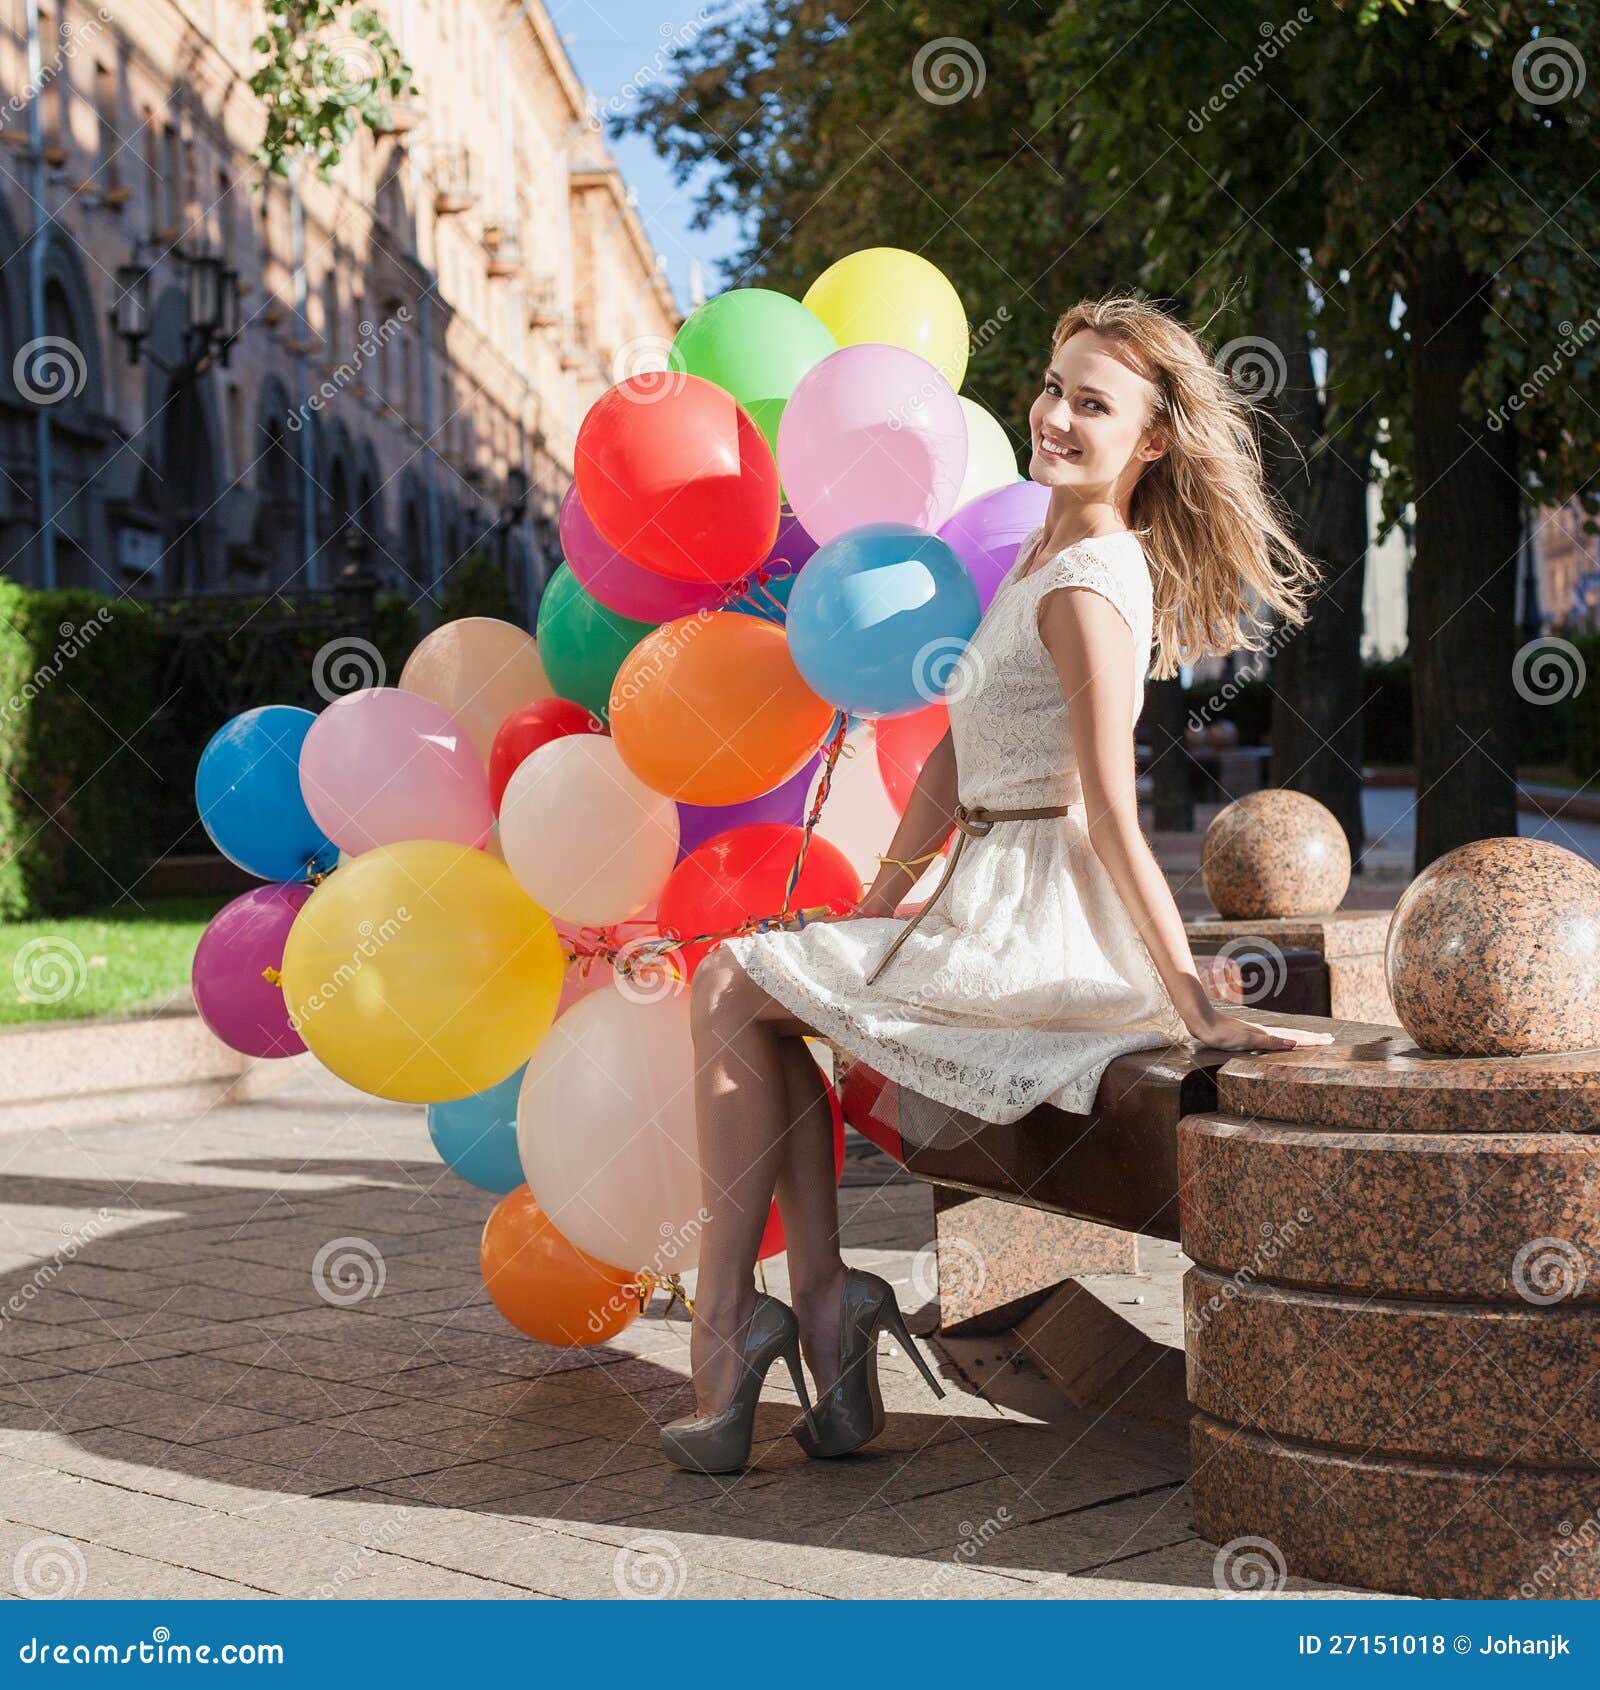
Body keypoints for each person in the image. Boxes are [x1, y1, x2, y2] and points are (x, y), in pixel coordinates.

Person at [659, 293, 1336, 1475]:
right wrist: (872, 905)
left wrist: (1191, 1000)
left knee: (729, 985)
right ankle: (819, 1302)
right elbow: (961, 758)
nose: (1056, 416)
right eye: (1054, 387)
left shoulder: (1087, 581)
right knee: (774, 1003)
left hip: (1036, 923)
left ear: (1152, 442)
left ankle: (741, 1329)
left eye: (1093, 404)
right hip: (980, 895)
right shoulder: (1042, 549)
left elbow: (1113, 814)